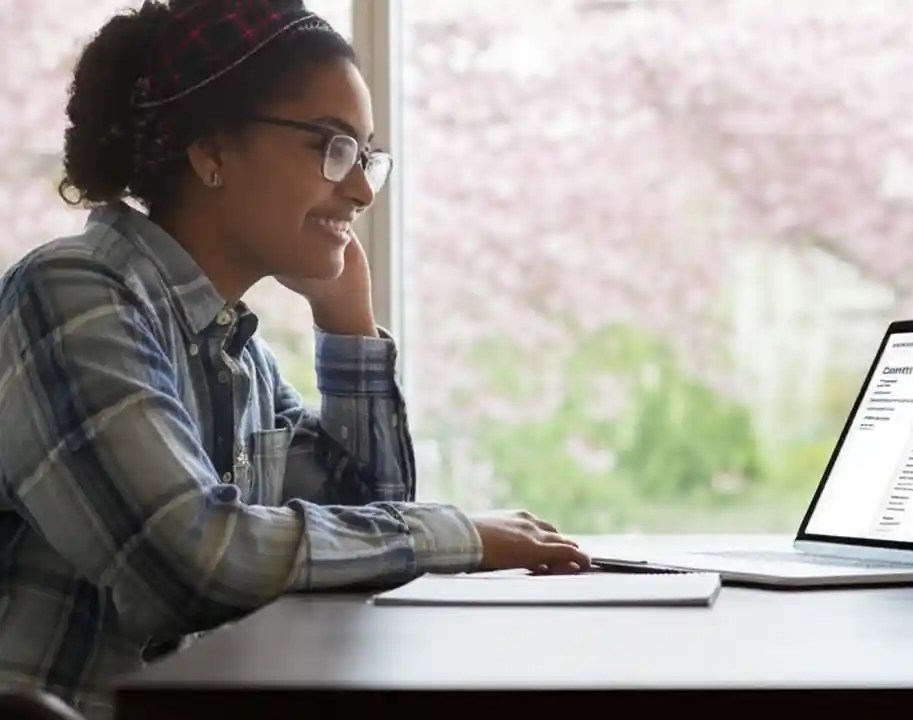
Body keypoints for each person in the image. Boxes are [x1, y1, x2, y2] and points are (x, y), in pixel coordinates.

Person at [0, 1, 591, 717]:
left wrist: (348, 331)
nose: (364, 189)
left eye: (367, 155)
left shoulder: (239, 359)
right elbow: (191, 562)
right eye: (331, 146)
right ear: (211, 149)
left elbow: (366, 528)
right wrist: (460, 535)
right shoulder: (68, 293)